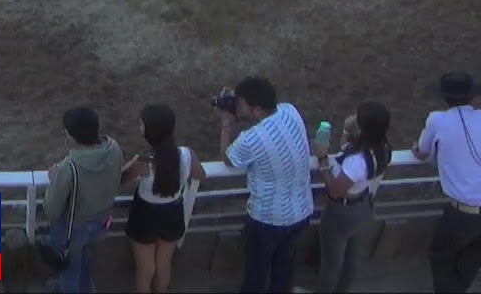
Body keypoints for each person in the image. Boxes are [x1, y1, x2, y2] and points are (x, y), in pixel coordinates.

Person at [413, 73, 481, 294]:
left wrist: (417, 150)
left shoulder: (436, 120)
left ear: (444, 99)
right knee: (471, 260)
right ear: (472, 97)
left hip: (465, 213)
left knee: (440, 256)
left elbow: (422, 151)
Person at [217, 76, 314, 294]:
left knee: (256, 276)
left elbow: (227, 158)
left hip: (268, 220)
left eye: (241, 103)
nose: (237, 106)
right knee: (283, 272)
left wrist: (226, 123)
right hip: (301, 211)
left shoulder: (251, 139)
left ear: (257, 110)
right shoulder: (290, 111)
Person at [121, 104, 206, 294]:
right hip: (173, 212)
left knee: (146, 268)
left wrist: (133, 161)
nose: (139, 127)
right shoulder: (186, 154)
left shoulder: (145, 161)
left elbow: (122, 179)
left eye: (141, 125)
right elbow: (201, 175)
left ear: (150, 132)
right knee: (163, 264)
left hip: (145, 215)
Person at [314, 101, 392, 294]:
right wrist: (347, 130)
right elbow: (347, 147)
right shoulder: (383, 148)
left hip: (342, 212)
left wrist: (322, 158)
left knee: (331, 264)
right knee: (350, 257)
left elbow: (335, 190)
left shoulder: (357, 161)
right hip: (364, 206)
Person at [42, 106, 122, 294]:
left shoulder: (68, 169)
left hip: (73, 229)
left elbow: (51, 210)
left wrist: (54, 180)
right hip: (102, 222)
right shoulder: (114, 148)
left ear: (70, 136)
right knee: (85, 256)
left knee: (70, 269)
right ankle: (86, 288)